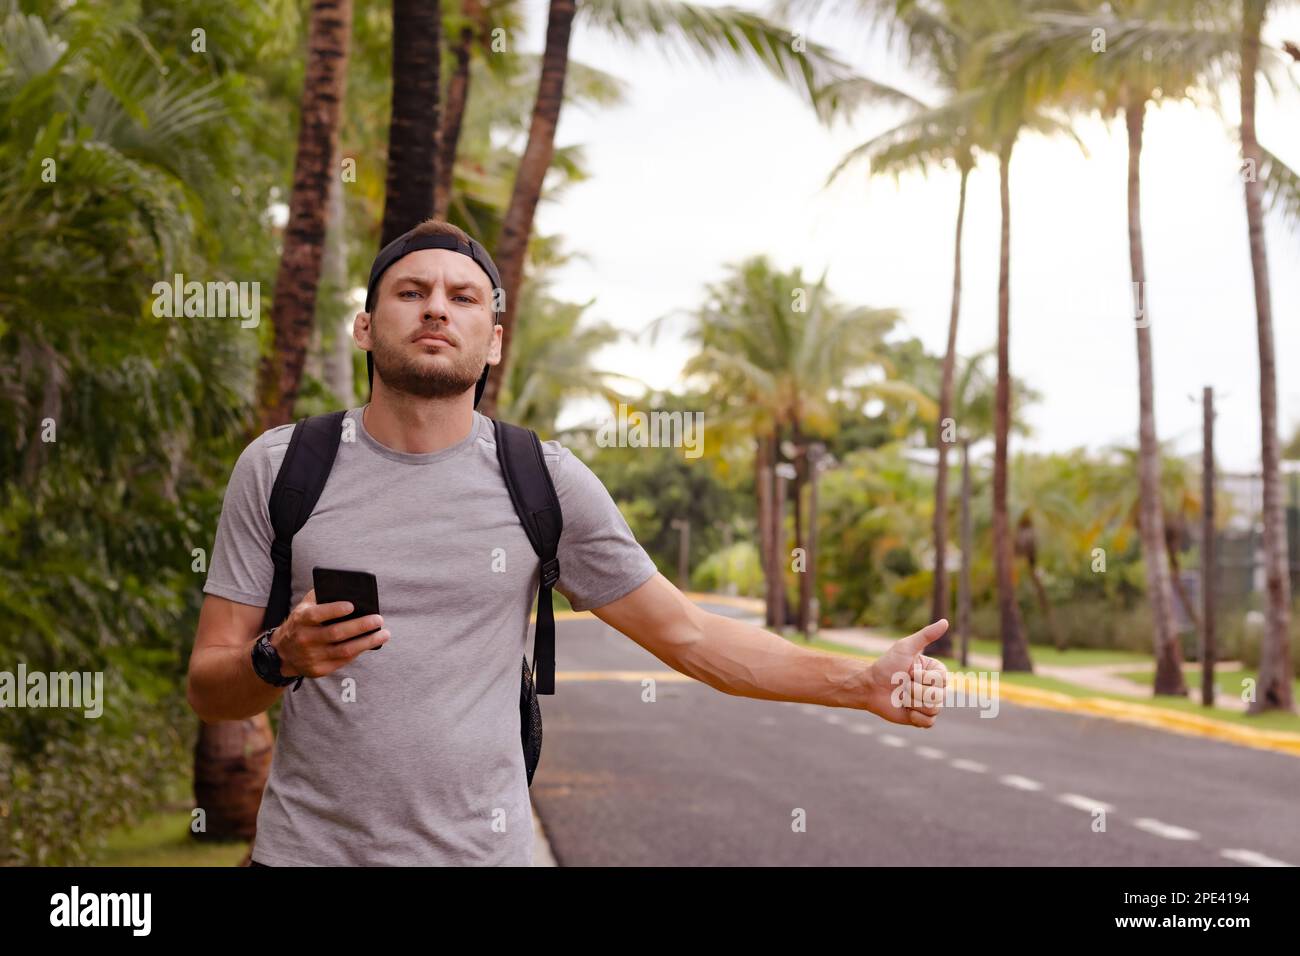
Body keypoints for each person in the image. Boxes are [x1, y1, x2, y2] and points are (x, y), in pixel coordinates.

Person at [186, 218, 950, 867]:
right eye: (411, 292)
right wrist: (277, 656)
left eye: (462, 298)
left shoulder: (542, 481)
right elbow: (209, 688)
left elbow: (688, 635)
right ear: (364, 325)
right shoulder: (282, 467)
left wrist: (859, 684)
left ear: (493, 341)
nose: (436, 311)